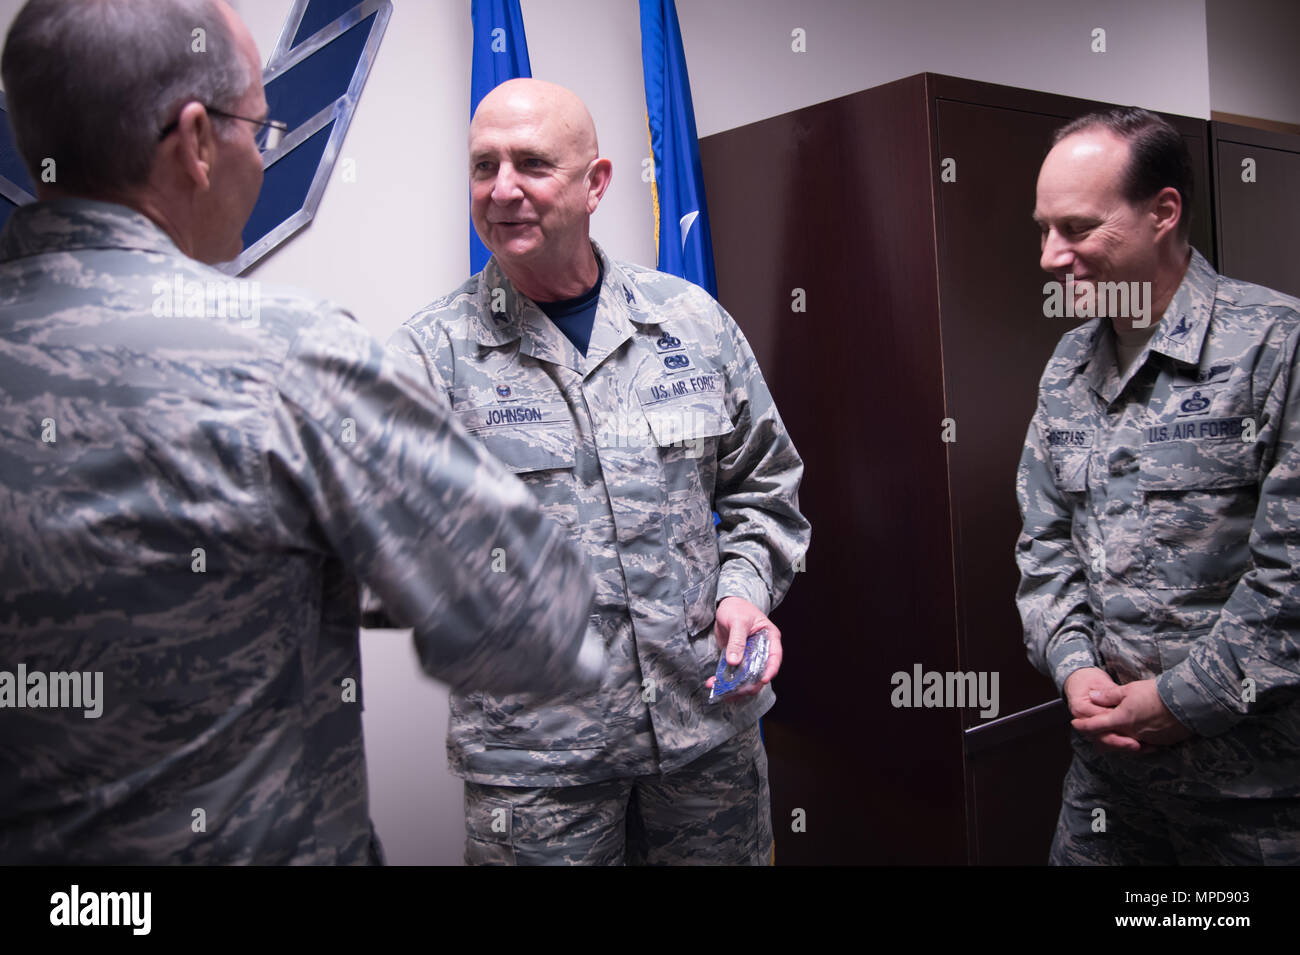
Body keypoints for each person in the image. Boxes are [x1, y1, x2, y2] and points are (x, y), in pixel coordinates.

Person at [0, 0, 602, 865]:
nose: (266, 147)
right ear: (197, 142)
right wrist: (330, 544)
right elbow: (531, 615)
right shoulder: (290, 359)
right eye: (261, 122)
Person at [388, 78, 809, 865]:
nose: (502, 189)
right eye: (484, 166)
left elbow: (765, 489)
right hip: (539, 772)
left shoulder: (689, 321)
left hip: (706, 735)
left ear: (597, 183)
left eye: (532, 163)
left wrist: (745, 592)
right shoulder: (426, 358)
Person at [1017, 106, 1300, 865]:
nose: (1051, 255)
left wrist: (1177, 701)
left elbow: (1291, 579)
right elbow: (1043, 547)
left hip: (1258, 794)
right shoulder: (1068, 367)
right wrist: (1073, 664)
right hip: (1109, 786)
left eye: (1076, 227)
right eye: (1043, 228)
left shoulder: (1275, 346)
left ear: (1163, 212)